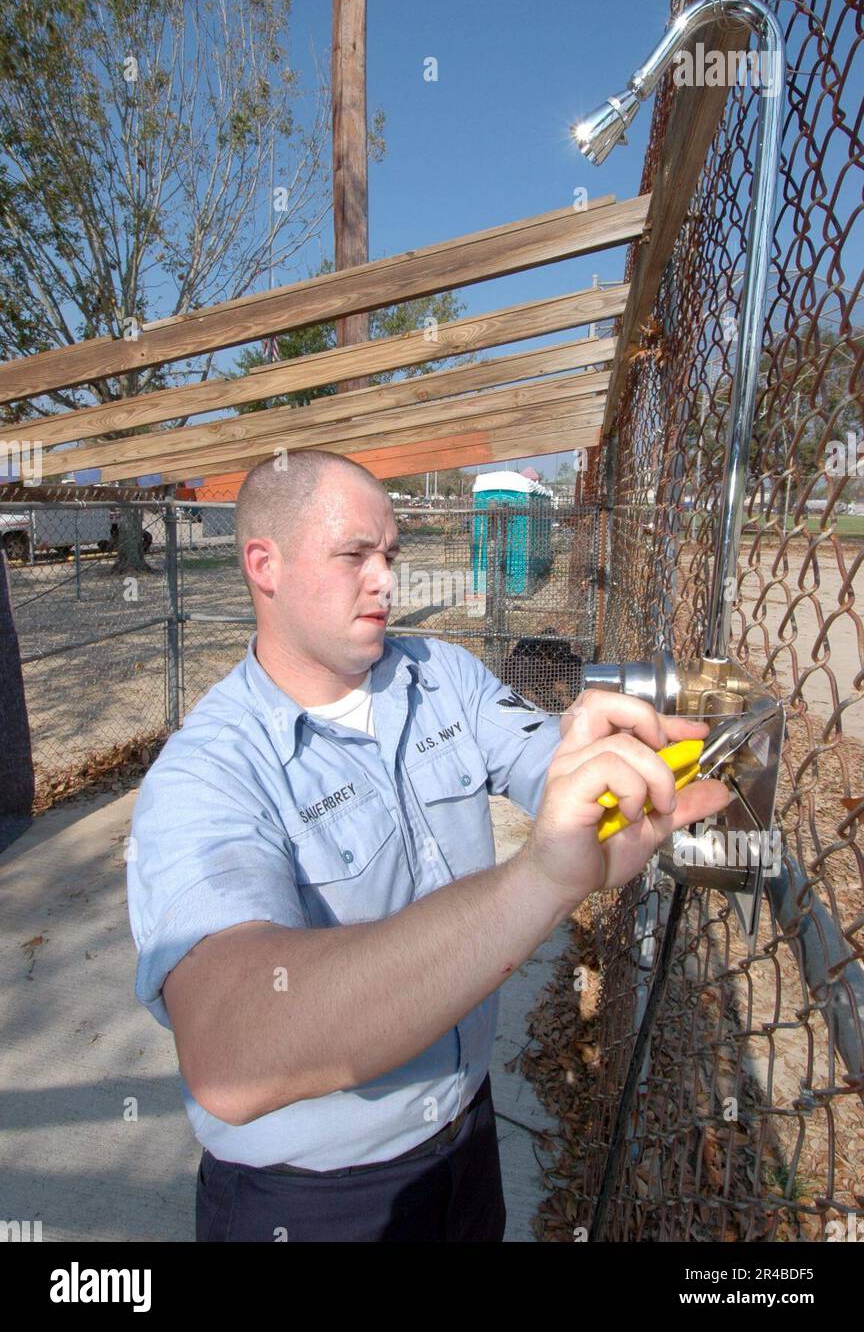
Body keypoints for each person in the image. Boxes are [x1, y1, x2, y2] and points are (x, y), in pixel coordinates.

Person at [125, 449, 729, 1243]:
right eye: (354, 556)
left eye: (391, 556)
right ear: (264, 566)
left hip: (466, 1137)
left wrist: (635, 765)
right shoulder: (207, 775)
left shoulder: (444, 677)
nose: (385, 580)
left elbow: (550, 769)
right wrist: (540, 876)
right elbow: (233, 1051)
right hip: (314, 1204)